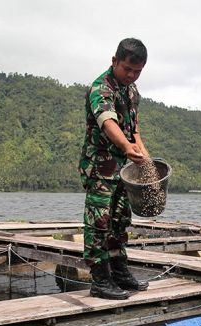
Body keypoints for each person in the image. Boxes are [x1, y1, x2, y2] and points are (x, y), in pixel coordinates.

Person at [79, 38, 150, 299]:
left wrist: (143, 154)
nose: (131, 75)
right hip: (100, 167)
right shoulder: (101, 88)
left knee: (120, 220)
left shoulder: (132, 92)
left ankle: (120, 273)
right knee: (99, 222)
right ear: (114, 61)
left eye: (137, 71)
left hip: (124, 169)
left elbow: (134, 129)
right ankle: (99, 280)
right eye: (127, 69)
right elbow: (108, 122)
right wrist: (125, 146)